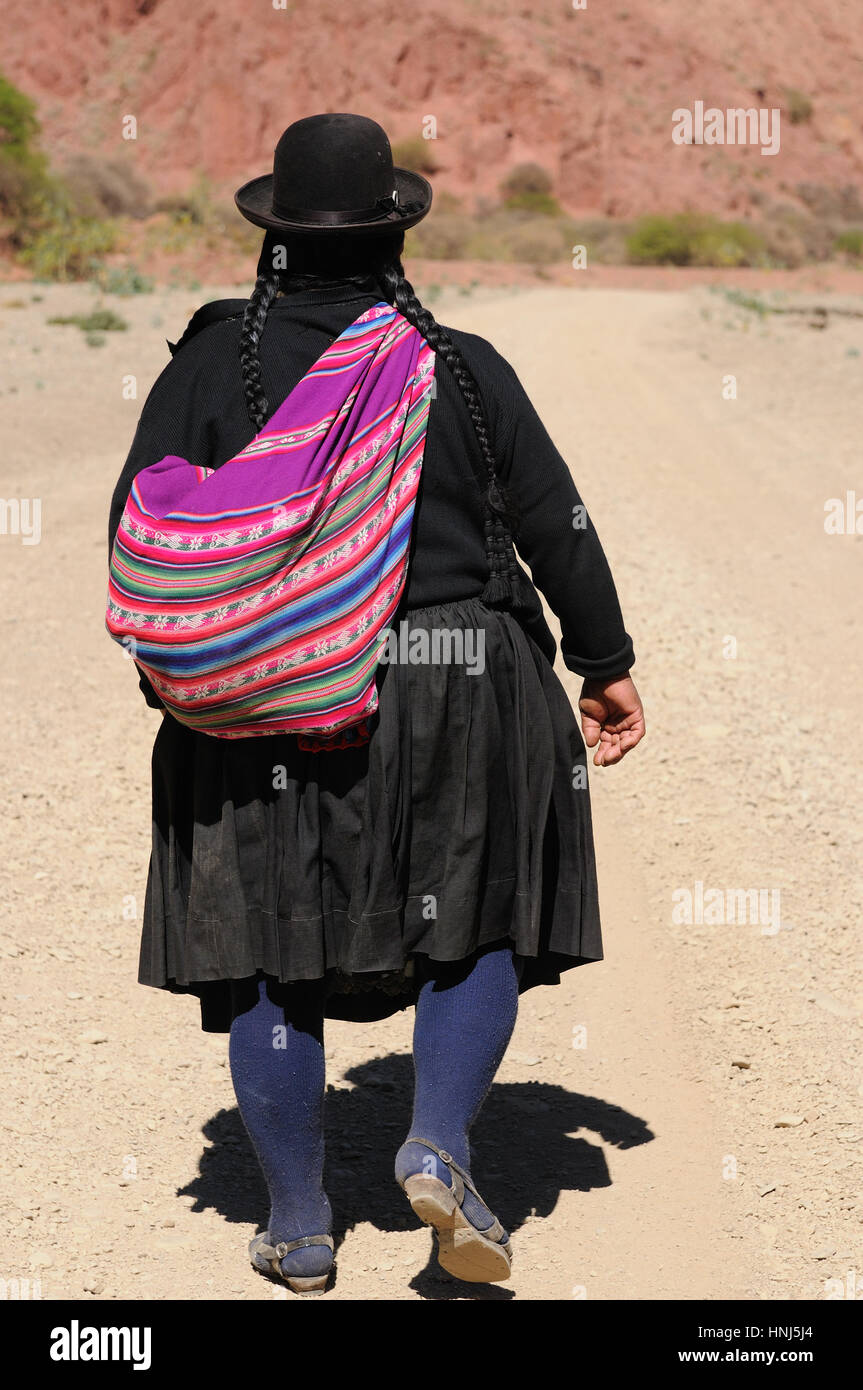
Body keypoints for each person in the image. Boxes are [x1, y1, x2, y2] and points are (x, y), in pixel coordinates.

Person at [106, 113, 645, 1295]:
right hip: (463, 680)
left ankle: (299, 1223)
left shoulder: (205, 365)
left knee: (265, 948)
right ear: (396, 234)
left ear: (274, 237)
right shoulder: (457, 363)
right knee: (475, 922)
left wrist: (180, 678)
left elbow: (139, 539)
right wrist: (601, 660)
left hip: (274, 694)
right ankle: (435, 1143)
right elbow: (557, 524)